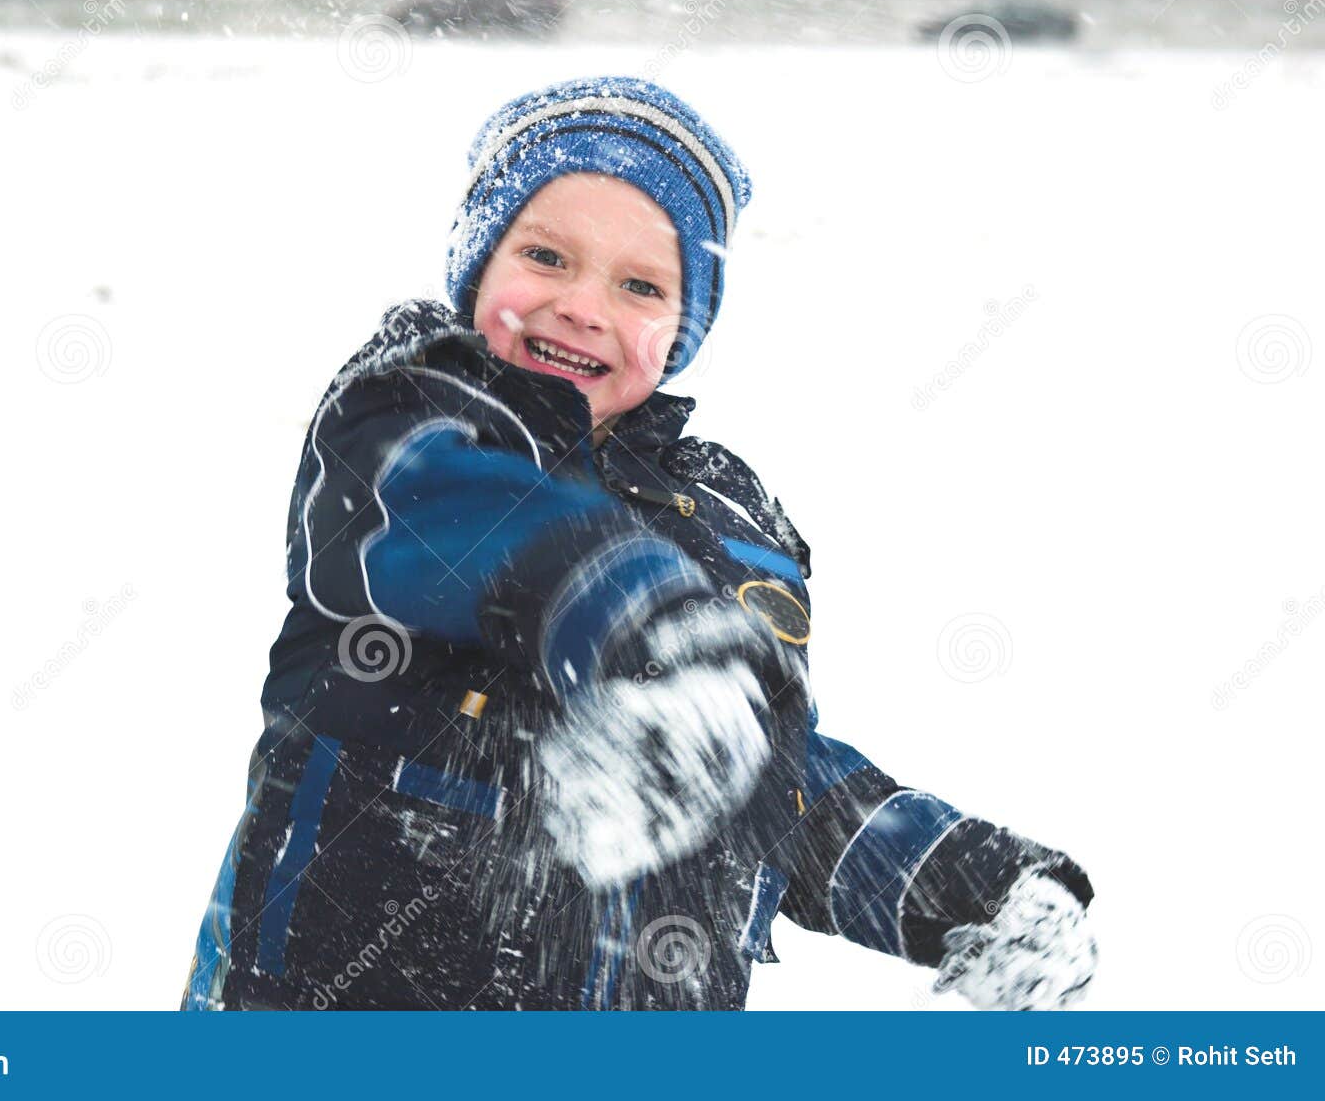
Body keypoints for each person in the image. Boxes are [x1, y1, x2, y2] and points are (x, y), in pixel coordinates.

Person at [180, 76, 1098, 1011]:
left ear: (683, 326)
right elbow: (461, 523)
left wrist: (962, 883)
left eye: (639, 285)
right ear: (477, 266)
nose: (583, 306)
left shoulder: (728, 519)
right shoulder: (408, 418)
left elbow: (763, 767)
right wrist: (629, 611)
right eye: (546, 255)